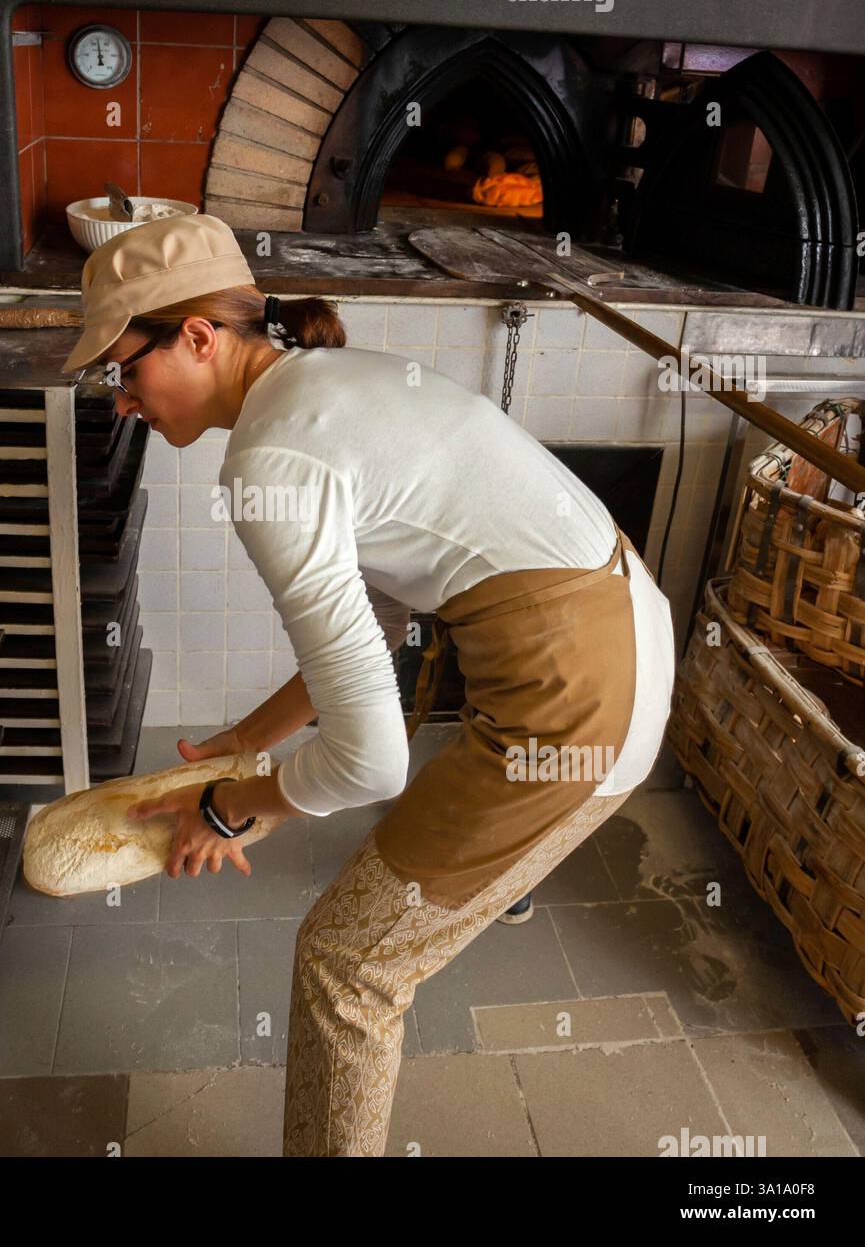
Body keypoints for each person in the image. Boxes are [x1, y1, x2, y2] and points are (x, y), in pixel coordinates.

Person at [62, 212, 676, 1157]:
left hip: (573, 703)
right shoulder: (329, 381)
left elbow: (373, 761)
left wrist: (234, 805)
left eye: (122, 370)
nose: (121, 403)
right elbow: (380, 622)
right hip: (622, 633)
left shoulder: (269, 461)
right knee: (358, 952)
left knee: (349, 965)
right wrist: (248, 743)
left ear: (196, 336)